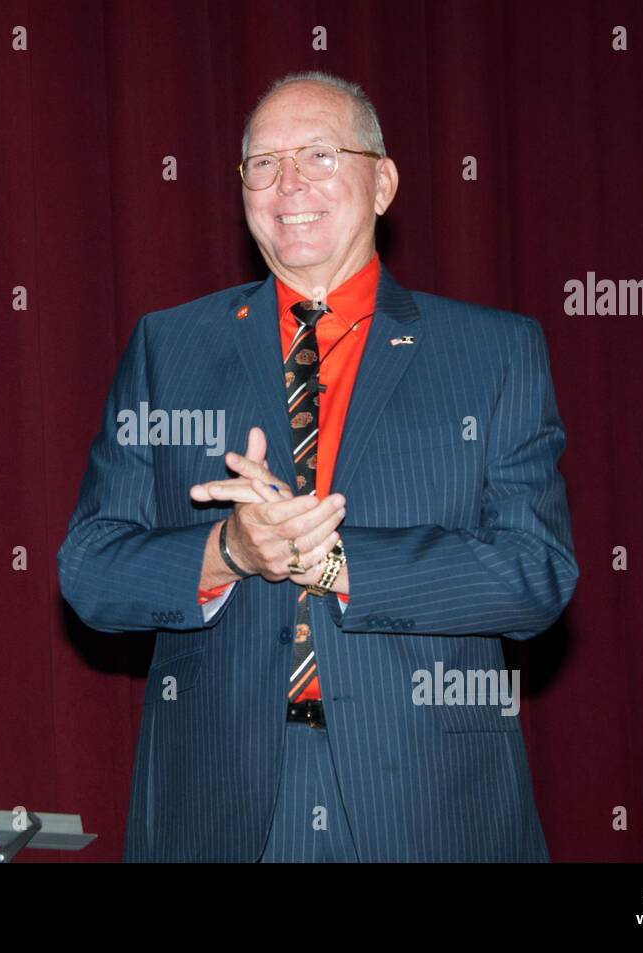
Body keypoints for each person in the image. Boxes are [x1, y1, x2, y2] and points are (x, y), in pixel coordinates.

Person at [58, 72, 577, 862]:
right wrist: (228, 551)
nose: (288, 184)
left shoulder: (494, 352)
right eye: (262, 164)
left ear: (384, 183)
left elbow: (536, 575)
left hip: (429, 801)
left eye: (321, 155)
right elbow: (90, 571)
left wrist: (331, 559)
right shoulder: (169, 348)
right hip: (220, 807)